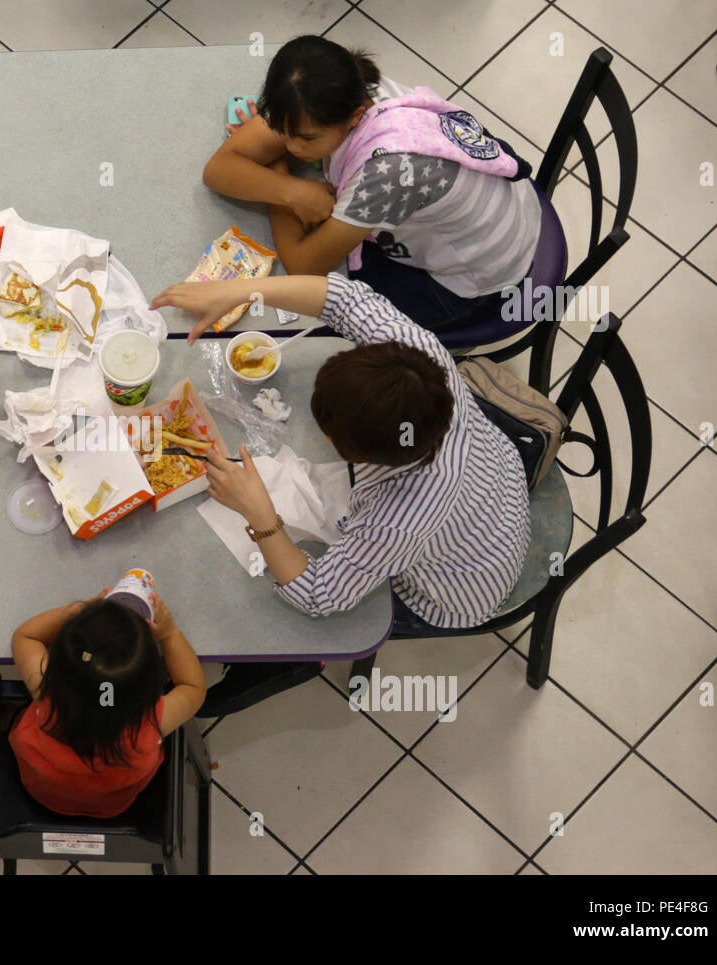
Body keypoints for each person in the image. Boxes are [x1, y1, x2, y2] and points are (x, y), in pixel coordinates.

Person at [151, 272, 531, 716]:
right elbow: (345, 298)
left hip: (463, 583)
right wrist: (240, 291)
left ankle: (256, 679)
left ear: (366, 457)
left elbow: (319, 595)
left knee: (287, 623)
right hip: (498, 479)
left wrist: (260, 513)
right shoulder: (419, 359)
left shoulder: (399, 518)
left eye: (331, 435)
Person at [201, 35, 540, 337]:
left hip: (479, 279)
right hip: (507, 210)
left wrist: (277, 171)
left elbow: (303, 264)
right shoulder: (343, 86)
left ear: (354, 117)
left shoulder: (386, 172)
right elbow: (218, 170)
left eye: (307, 138)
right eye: (280, 129)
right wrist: (292, 191)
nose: (291, 147)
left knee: (338, 315)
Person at [0, 592, 205, 818]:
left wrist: (85, 609)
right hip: (113, 806)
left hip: (39, 791)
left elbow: (25, 636)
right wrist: (170, 634)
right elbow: (193, 687)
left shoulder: (47, 693)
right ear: (150, 681)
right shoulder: (153, 722)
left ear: (58, 665)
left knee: (16, 719)